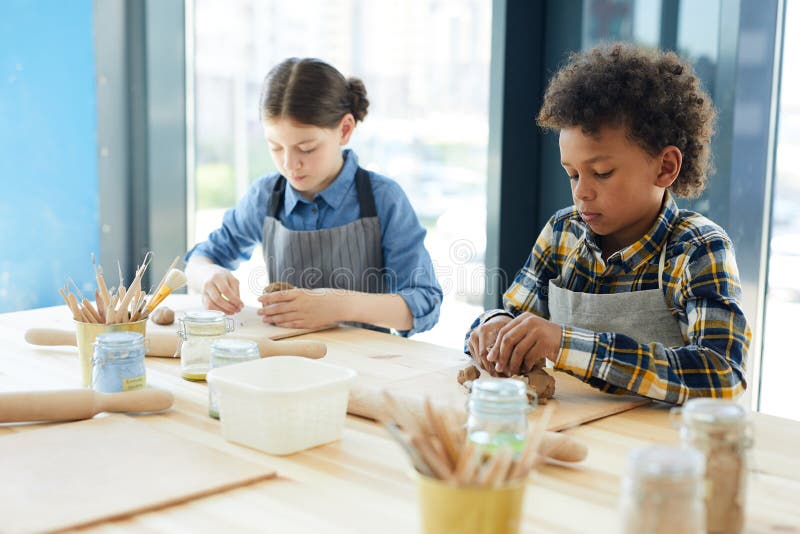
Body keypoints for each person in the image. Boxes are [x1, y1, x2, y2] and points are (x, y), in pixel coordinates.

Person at [465, 43, 751, 404]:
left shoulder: (698, 249)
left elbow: (722, 374)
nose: (581, 192)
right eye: (572, 174)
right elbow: (515, 317)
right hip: (567, 431)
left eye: (601, 173)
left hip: (657, 438)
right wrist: (494, 326)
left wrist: (564, 343)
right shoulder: (562, 233)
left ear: (665, 167)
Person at [186, 58, 442, 335]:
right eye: (276, 147)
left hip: (367, 359)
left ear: (345, 130)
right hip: (286, 357)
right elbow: (199, 260)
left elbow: (425, 302)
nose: (290, 164)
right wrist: (208, 276)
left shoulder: (384, 198)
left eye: (306, 148)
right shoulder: (266, 195)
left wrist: (339, 305)